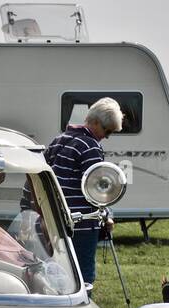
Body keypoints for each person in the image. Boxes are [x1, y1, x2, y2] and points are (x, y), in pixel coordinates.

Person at [37, 97, 123, 287]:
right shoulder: (90, 147)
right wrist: (106, 216)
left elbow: (39, 173)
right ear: (94, 122)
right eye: (107, 130)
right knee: (83, 278)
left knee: (55, 274)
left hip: (55, 220)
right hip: (82, 223)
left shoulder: (59, 140)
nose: (107, 136)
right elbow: (97, 190)